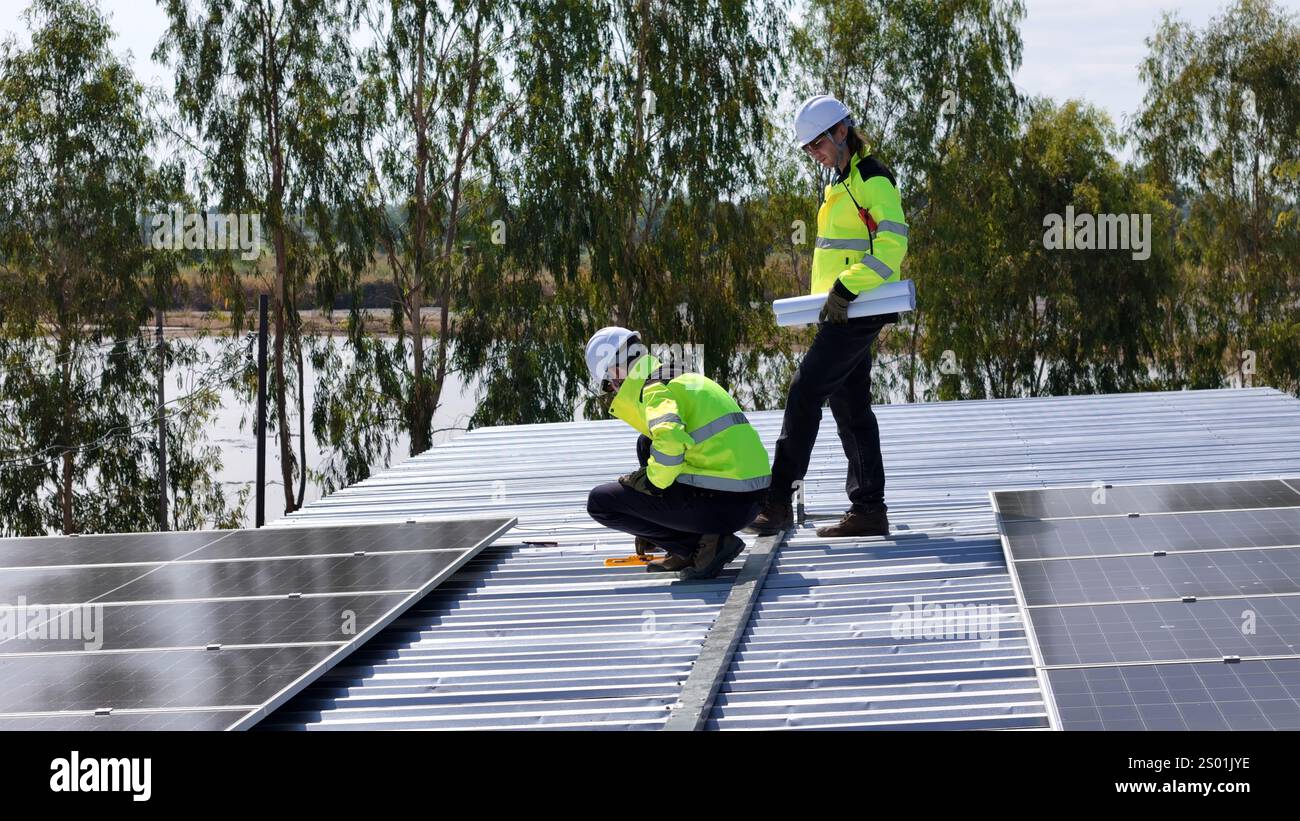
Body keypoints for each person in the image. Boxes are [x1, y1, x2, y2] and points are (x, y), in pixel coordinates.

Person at [751, 94, 909, 538]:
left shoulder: (871, 177)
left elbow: (892, 248)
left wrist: (844, 289)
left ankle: (777, 502)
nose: (813, 154)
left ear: (842, 131)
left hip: (856, 308)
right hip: (841, 309)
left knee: (805, 393)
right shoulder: (840, 182)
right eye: (807, 150)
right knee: (851, 408)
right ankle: (869, 510)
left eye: (817, 144)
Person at [584, 327, 771, 580]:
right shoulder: (680, 377)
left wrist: (649, 486)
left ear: (616, 371)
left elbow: (671, 442)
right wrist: (652, 513)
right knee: (646, 443)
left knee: (601, 503)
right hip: (750, 499)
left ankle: (696, 548)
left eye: (608, 384)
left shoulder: (655, 389)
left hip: (726, 505)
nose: (612, 391)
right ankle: (687, 546)